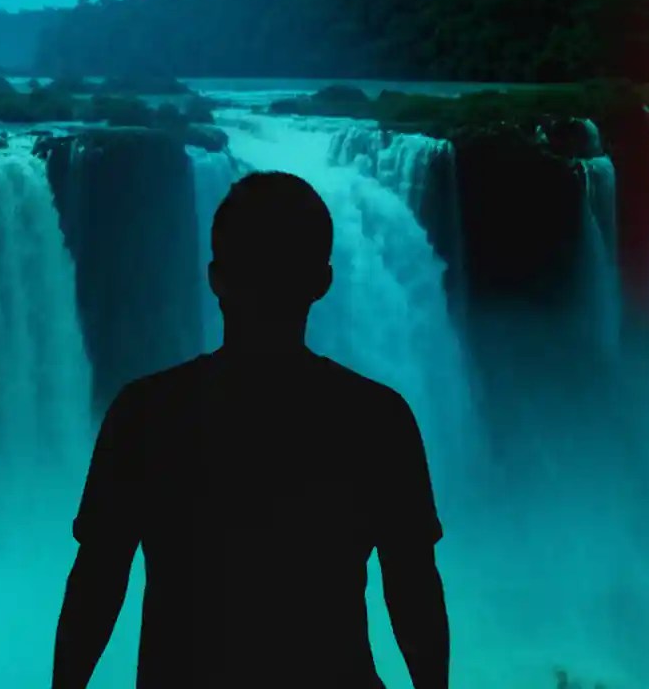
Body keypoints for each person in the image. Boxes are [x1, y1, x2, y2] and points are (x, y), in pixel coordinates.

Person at [51, 171, 450, 689]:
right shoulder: (378, 418)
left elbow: (97, 583)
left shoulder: (145, 414)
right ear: (322, 282)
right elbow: (413, 589)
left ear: (216, 277)